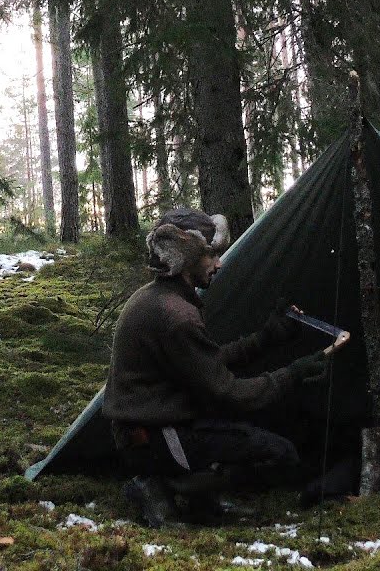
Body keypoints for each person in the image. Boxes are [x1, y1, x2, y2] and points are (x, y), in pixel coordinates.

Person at [103, 208, 335, 527]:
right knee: (278, 453)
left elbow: (206, 364)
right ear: (187, 257)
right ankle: (159, 486)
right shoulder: (176, 315)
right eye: (211, 256)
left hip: (149, 431)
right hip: (154, 438)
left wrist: (267, 337)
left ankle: (200, 499)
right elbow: (229, 392)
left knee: (245, 433)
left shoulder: (160, 299)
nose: (219, 263)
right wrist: (292, 375)